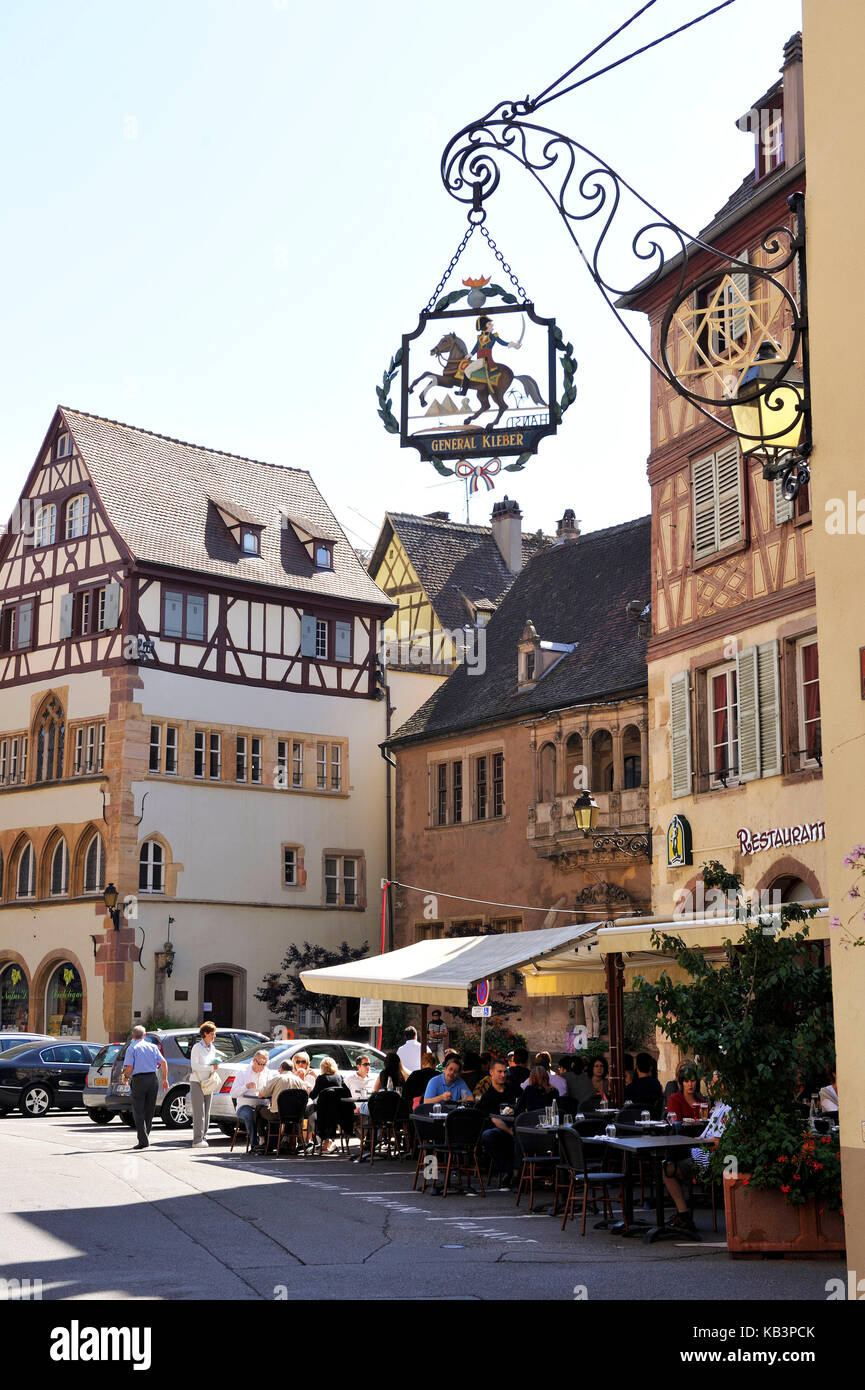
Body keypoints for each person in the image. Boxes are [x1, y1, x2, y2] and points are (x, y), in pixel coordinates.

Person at [662, 1094, 732, 1233]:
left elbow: (718, 1143)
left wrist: (696, 1143)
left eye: (714, 1081)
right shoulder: (720, 1106)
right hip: (702, 1151)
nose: (710, 1084)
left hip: (709, 1158)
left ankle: (684, 1216)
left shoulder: (728, 1109)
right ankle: (683, 1215)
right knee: (668, 1159)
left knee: (666, 1168)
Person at [121, 1025, 169, 1150]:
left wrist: (125, 1077)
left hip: (138, 1080)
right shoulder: (153, 1047)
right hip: (153, 1079)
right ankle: (146, 1135)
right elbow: (163, 1062)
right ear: (144, 1035)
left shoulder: (132, 1048)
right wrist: (164, 1079)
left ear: (133, 1036)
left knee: (138, 1110)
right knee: (149, 1110)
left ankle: (143, 1140)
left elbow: (129, 1067)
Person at [476, 1059, 519, 1187]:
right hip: (501, 1132)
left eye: (505, 1072)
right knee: (488, 1136)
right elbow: (494, 1120)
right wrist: (511, 1132)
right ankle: (510, 1170)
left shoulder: (513, 1090)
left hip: (517, 1127)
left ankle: (518, 1173)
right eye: (499, 1072)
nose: (503, 1075)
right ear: (491, 1073)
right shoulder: (488, 1096)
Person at [455, 315, 521, 394]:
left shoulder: (494, 336)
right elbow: (476, 347)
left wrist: (514, 345)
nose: (492, 325)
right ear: (484, 326)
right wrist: (470, 354)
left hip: (485, 360)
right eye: (489, 324)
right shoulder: (480, 337)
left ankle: (464, 391)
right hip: (479, 359)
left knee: (467, 370)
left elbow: (503, 343)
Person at [229, 1050, 275, 1155]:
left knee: (272, 1114)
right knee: (250, 1114)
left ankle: (267, 1144)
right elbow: (233, 1093)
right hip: (245, 1105)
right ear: (254, 1061)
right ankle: (254, 1144)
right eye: (260, 1064)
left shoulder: (268, 1072)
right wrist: (246, 1086)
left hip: (262, 1105)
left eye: (264, 1064)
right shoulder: (243, 1072)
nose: (262, 1067)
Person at [188, 1021, 221, 1148]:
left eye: (214, 1034)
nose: (214, 1036)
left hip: (208, 1082)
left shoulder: (212, 1047)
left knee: (207, 1111)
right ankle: (197, 1140)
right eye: (212, 1034)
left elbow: (210, 1064)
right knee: (199, 1111)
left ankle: (203, 1137)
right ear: (205, 1034)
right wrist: (211, 1068)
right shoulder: (197, 1047)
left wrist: (214, 1066)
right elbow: (194, 1066)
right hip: (197, 1081)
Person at [309, 1057, 349, 1153]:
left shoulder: (321, 1079)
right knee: (328, 1115)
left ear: (322, 1067)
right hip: (338, 1113)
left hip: (324, 1113)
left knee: (311, 1117)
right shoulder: (339, 1078)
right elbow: (347, 1093)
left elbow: (313, 1095)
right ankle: (328, 1141)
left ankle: (320, 1141)